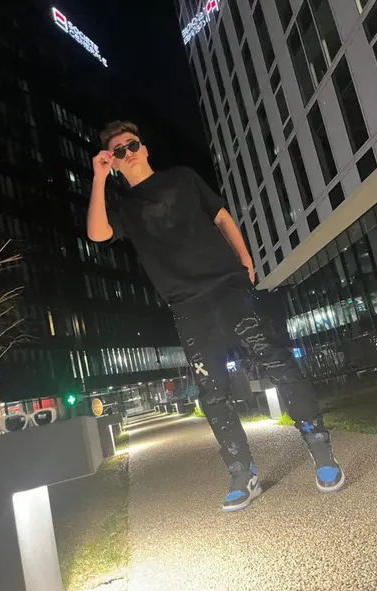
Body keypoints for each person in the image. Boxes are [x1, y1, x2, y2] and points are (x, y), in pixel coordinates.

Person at [87, 121, 344, 512]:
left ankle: (320, 448)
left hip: (227, 286)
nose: (128, 153)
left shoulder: (182, 178)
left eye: (132, 144)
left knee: (276, 360)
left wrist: (244, 258)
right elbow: (97, 234)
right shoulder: (126, 209)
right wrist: (98, 177)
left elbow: (221, 216)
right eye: (118, 151)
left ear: (145, 147)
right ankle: (242, 472)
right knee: (211, 390)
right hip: (187, 305)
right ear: (115, 162)